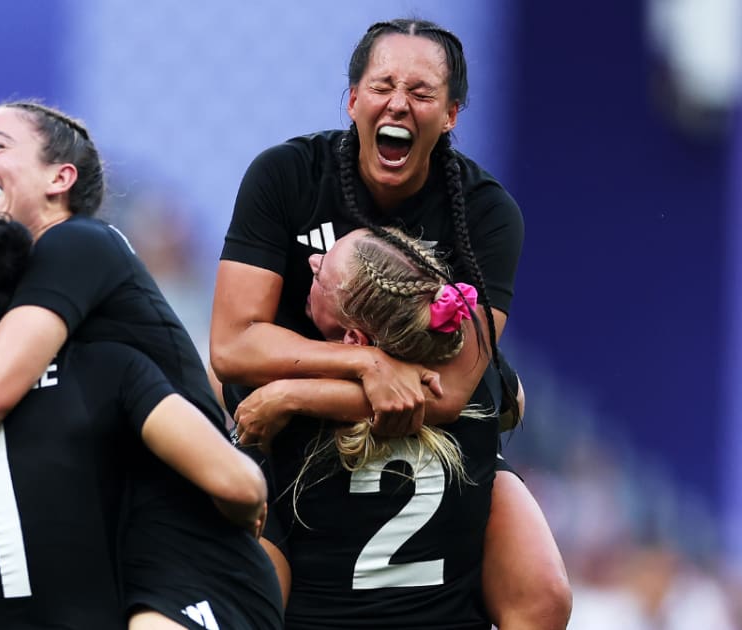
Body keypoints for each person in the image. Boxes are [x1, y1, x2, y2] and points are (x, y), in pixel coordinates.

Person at [209, 18, 572, 630]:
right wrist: (363, 364)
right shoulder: (285, 175)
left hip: (408, 407)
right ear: (352, 100)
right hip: (291, 423)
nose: (398, 102)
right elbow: (232, 345)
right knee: (245, 594)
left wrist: (291, 394)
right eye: (381, 85)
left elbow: (451, 392)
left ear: (452, 114)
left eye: (423, 92)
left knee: (544, 595)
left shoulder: (486, 213)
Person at [0, 102, 283, 628]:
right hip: (122, 568)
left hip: (189, 554)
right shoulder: (24, 312)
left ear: (61, 178)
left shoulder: (77, 241)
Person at [236, 227, 497, 628]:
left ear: (354, 340)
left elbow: (258, 586)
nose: (312, 260)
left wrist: (289, 394)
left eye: (323, 275)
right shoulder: (478, 398)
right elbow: (517, 401)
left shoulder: (278, 413)